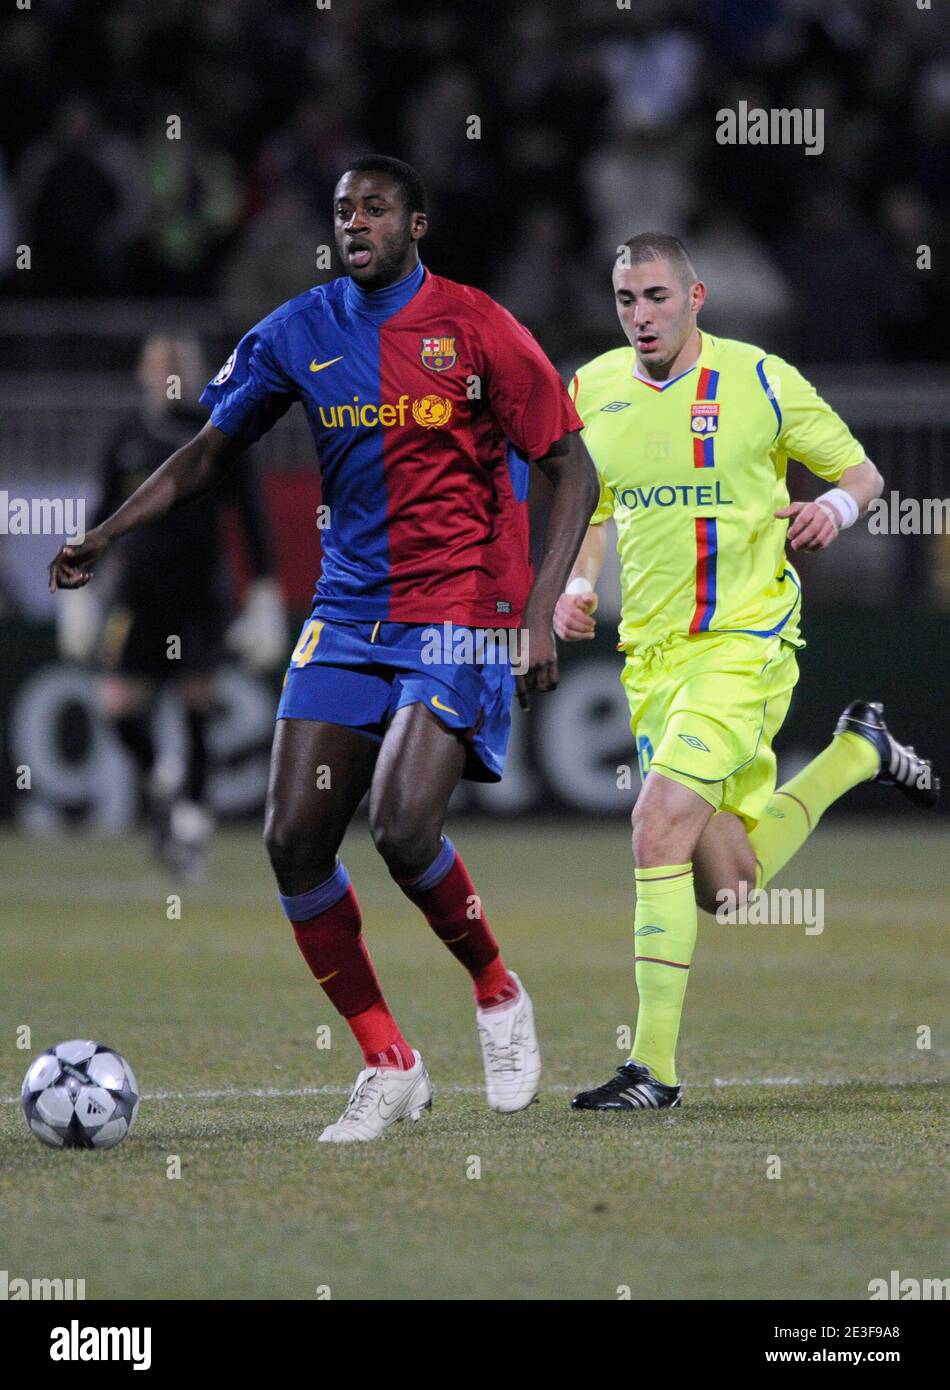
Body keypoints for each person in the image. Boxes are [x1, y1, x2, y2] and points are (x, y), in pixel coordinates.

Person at [50, 156, 599, 1142]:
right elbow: (208, 451)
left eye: (375, 208)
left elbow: (570, 462)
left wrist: (537, 604)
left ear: (415, 224)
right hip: (349, 611)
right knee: (292, 839)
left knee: (398, 828)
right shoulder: (298, 330)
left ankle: (494, 989)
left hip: (459, 608)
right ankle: (389, 1061)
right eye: (343, 208)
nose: (355, 221)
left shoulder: (476, 327)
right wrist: (107, 532)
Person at [556, 232, 939, 1113]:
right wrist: (577, 584)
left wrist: (832, 510)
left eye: (655, 297)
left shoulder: (761, 379)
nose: (639, 316)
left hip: (744, 644)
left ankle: (652, 1068)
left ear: (694, 299)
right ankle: (858, 752)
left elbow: (863, 471)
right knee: (727, 887)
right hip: (653, 658)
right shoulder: (592, 389)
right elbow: (594, 508)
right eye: (624, 300)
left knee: (656, 826)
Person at [57, 333, 286, 879]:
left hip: (200, 594)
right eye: (160, 365)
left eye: (178, 365)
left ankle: (190, 823)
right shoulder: (127, 436)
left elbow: (251, 517)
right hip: (137, 594)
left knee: (197, 704)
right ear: (142, 372)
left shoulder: (221, 431)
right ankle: (162, 778)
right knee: (118, 704)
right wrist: (80, 587)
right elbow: (103, 511)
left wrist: (265, 593)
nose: (169, 375)